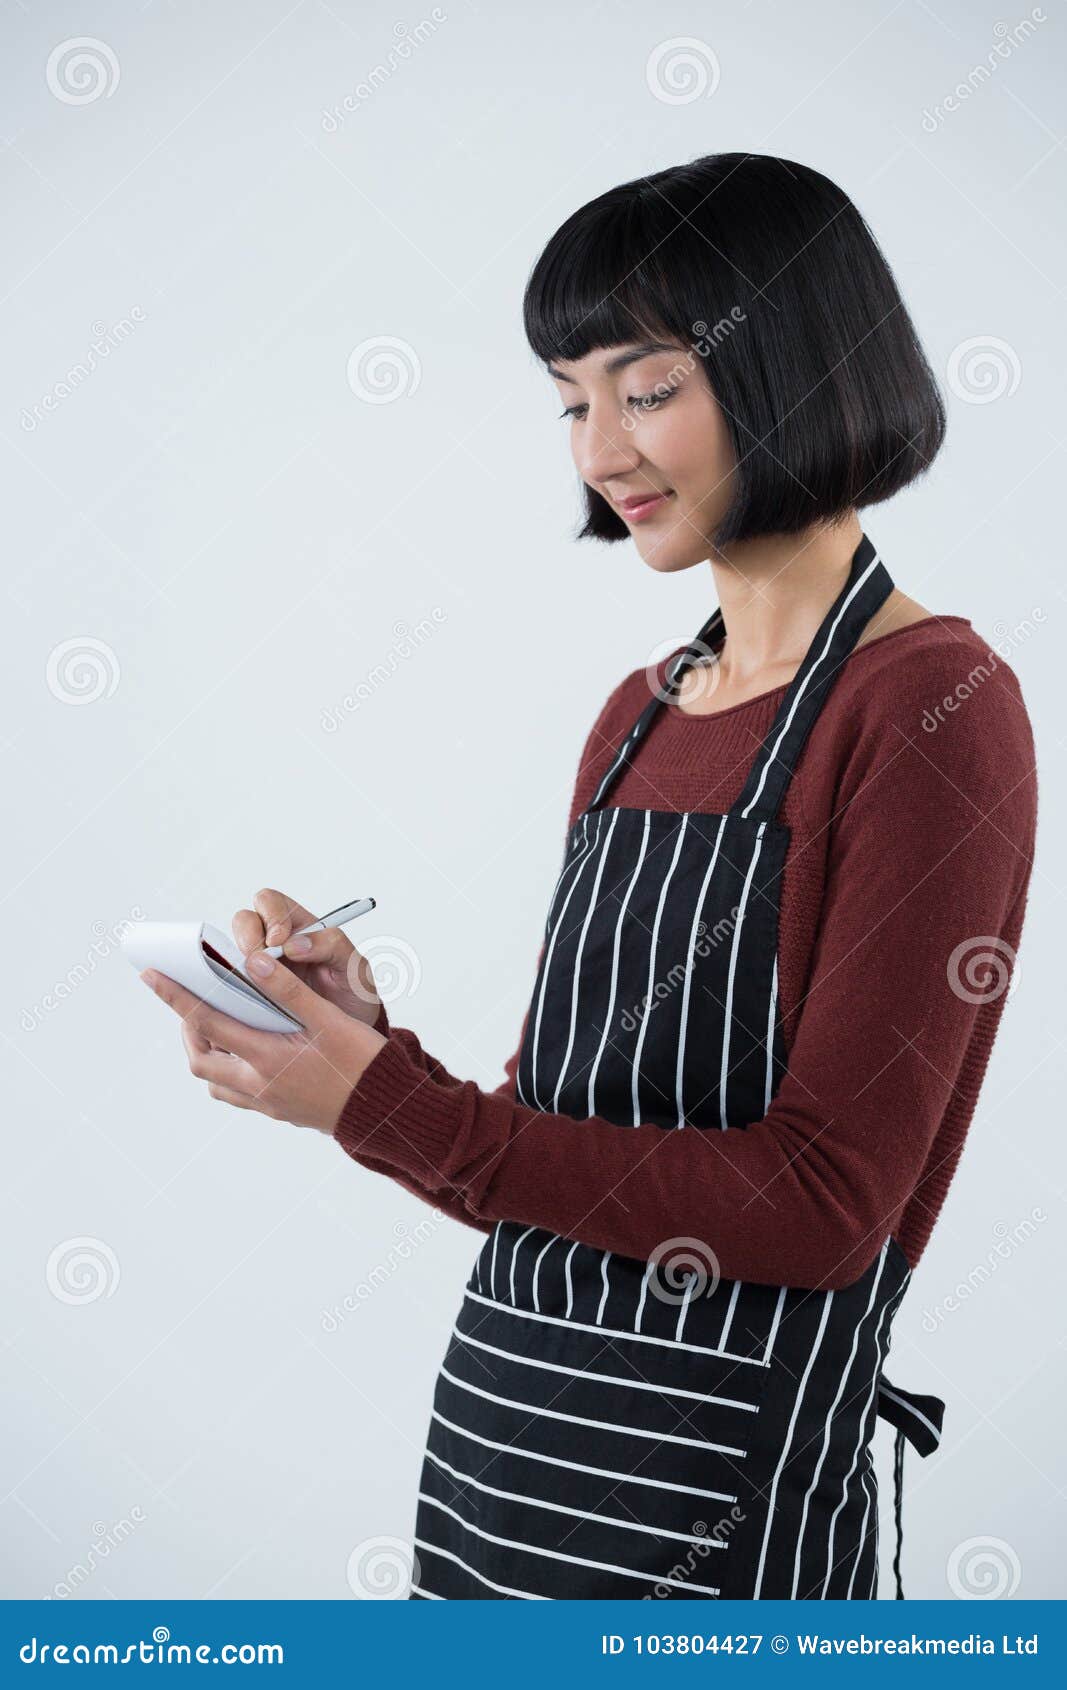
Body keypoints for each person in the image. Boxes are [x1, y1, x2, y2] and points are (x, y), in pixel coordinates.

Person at [142, 153, 1037, 1600]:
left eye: (647, 386)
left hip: (710, 1510)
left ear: (800, 358)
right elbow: (565, 1162)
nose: (599, 451)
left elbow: (820, 1203)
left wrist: (383, 1103)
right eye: (568, 400)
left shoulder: (937, 711)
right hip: (499, 1453)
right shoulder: (638, 713)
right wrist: (370, 1048)